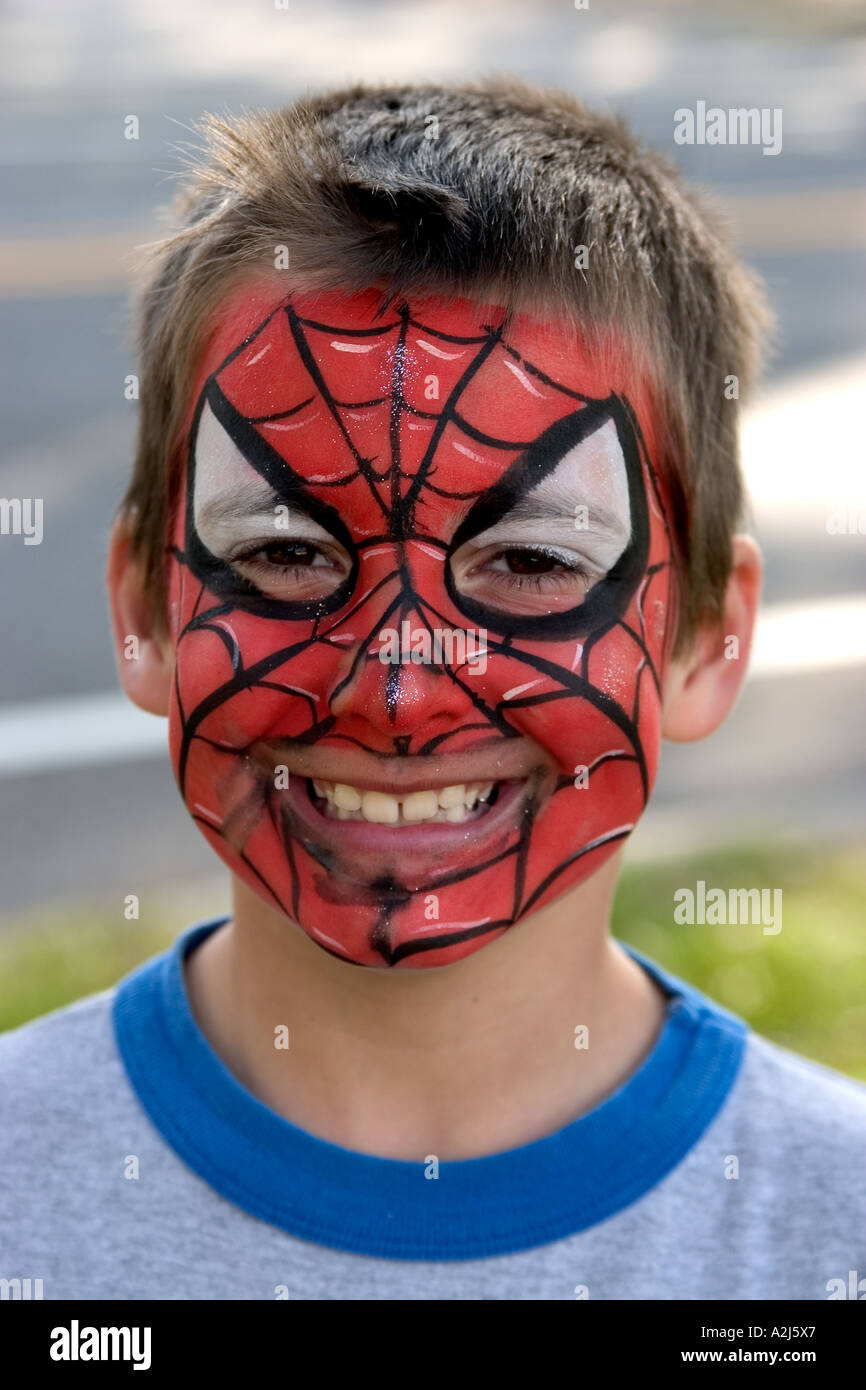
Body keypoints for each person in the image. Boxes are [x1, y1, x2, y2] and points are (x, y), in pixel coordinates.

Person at [2, 77, 864, 1301]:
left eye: (530, 563)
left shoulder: (828, 1236)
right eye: (285, 554)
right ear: (144, 606)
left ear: (706, 637)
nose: (398, 700)